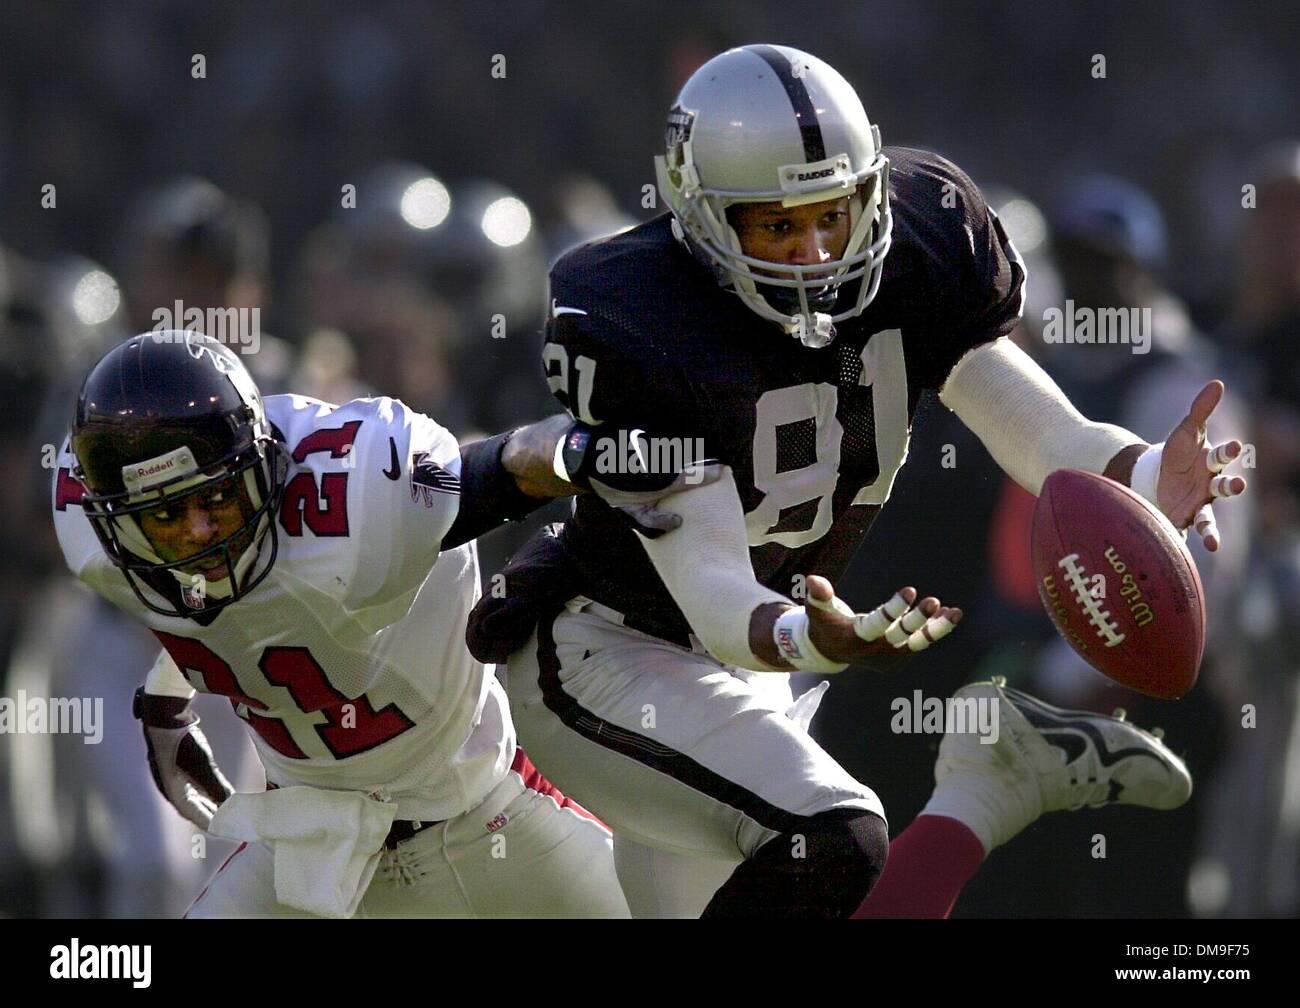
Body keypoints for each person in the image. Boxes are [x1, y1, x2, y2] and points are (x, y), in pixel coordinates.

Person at [466, 44, 1249, 918]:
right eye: (775, 227)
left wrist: (1142, 473)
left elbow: (1031, 424)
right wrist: (812, 639)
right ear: (699, 218)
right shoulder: (637, 314)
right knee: (833, 835)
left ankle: (983, 791)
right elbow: (714, 591)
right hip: (613, 651)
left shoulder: (923, 238)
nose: (813, 253)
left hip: (756, 655)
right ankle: (985, 791)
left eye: (832, 216)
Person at [51, 329, 630, 918]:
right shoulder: (97, 545)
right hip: (314, 849)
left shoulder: (357, 499)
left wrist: (599, 450)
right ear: (116, 527)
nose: (201, 532)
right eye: (167, 515)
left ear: (266, 470)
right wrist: (168, 688)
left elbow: (508, 464)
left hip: (489, 812)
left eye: (219, 499)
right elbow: (241, 618)